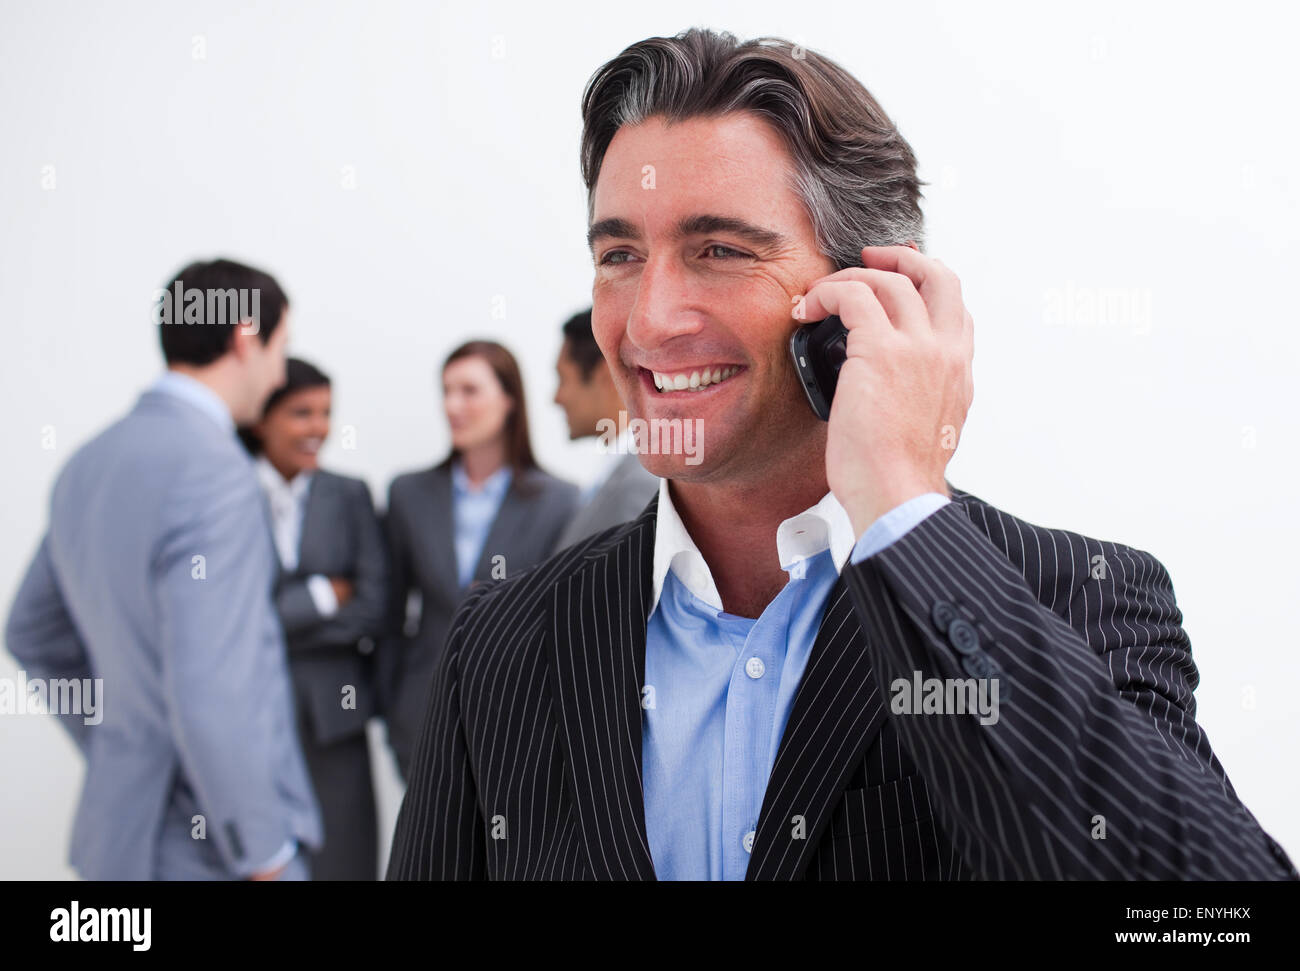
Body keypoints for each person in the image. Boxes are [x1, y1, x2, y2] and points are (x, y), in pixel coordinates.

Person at [387, 29, 1298, 880]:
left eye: (718, 249)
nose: (651, 320)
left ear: (871, 292)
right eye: (620, 254)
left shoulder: (1083, 597)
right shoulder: (502, 643)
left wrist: (899, 500)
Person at [6, 258, 321, 880]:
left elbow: (30, 632)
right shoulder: (216, 471)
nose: (281, 372)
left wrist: (126, 740)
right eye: (281, 347)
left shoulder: (88, 463)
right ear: (245, 338)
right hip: (213, 850)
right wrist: (262, 850)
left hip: (117, 842)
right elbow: (211, 687)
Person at [379, 340, 579, 781]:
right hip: (421, 718)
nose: (453, 405)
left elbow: (560, 622)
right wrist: (391, 705)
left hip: (517, 722)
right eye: (446, 391)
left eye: (469, 390)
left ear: (508, 400)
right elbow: (388, 615)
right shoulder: (408, 494)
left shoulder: (559, 502)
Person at [240, 357, 387, 880]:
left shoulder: (349, 495)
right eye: (302, 413)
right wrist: (323, 596)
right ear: (261, 419)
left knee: (344, 863)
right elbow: (225, 619)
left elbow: (374, 611)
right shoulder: (226, 495)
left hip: (335, 719)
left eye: (326, 413)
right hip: (248, 715)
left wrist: (268, 626)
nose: (319, 428)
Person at [552, 307, 659, 550]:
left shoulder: (642, 482)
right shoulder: (617, 472)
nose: (556, 398)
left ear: (604, 374)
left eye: (562, 378)